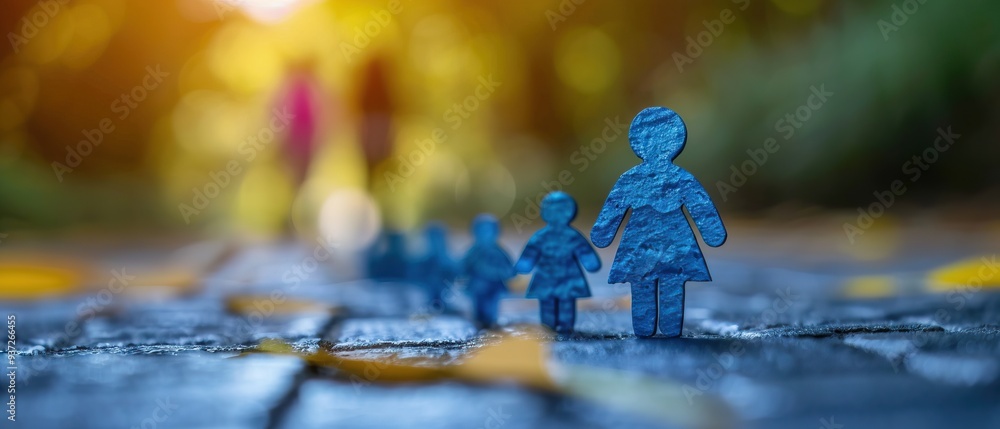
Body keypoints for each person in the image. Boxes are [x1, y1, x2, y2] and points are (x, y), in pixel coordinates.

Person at [591, 107, 727, 338]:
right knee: (646, 281)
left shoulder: (676, 178)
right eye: (649, 139)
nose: (655, 145)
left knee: (669, 279)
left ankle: (668, 325)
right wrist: (603, 231)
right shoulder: (637, 179)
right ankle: (648, 327)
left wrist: (712, 231)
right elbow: (614, 208)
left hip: (669, 241)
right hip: (650, 242)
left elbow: (700, 206)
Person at [515, 192, 601, 334]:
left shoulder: (572, 236)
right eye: (552, 211)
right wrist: (524, 264)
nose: (556, 215)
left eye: (561, 211)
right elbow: (531, 252)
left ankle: (565, 326)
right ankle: (548, 326)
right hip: (546, 276)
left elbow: (584, 251)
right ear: (545, 213)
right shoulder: (541, 237)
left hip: (568, 276)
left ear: (570, 213)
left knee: (566, 302)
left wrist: (590, 262)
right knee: (547, 302)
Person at [461, 214, 514, 329]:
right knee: (478, 305)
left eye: (488, 231)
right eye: (481, 231)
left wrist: (503, 273)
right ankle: (479, 320)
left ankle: (491, 319)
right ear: (474, 233)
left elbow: (508, 269)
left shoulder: (498, 252)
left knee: (492, 304)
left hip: (494, 286)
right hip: (477, 286)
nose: (485, 235)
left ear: (496, 232)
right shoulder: (473, 252)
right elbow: (463, 266)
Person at [414, 222, 458, 312]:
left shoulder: (451, 264)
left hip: (446, 306)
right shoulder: (421, 264)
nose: (434, 243)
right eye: (431, 239)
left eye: (437, 239)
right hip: (427, 306)